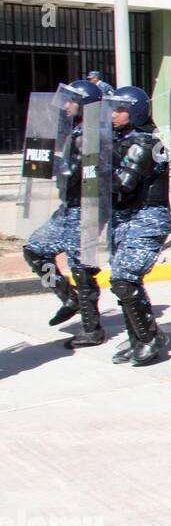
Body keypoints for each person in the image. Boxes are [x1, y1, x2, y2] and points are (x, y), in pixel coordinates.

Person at [19, 81, 106, 342]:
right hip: (68, 208)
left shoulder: (94, 134)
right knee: (34, 250)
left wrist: (51, 163)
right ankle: (68, 296)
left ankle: (92, 329)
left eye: (72, 101)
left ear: (85, 105)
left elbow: (81, 173)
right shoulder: (76, 132)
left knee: (81, 266)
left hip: (87, 208)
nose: (66, 106)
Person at [103, 86, 171, 365]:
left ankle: (149, 338)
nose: (113, 115)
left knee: (124, 278)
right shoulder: (119, 140)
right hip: (124, 218)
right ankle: (138, 337)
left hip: (147, 218)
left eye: (120, 109)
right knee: (124, 282)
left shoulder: (146, 144)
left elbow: (123, 184)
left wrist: (96, 166)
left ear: (136, 112)